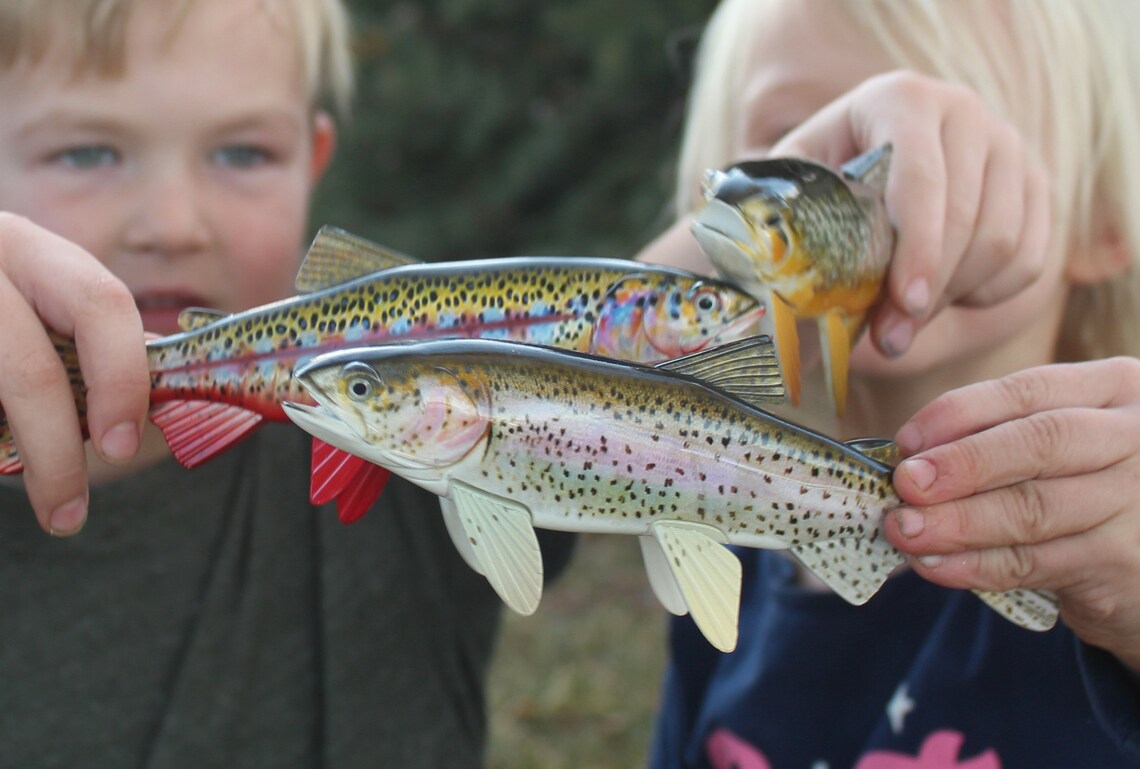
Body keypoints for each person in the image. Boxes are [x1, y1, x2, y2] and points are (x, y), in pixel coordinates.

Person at [0, 1, 571, 765]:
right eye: (86, 153)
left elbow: (657, 328)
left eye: (242, 153)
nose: (173, 223)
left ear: (314, 160)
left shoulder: (428, 435)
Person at [639, 0, 1140, 766]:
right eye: (792, 148)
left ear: (1104, 215)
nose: (855, 195)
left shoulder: (1117, 562)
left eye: (949, 145)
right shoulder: (723, 550)